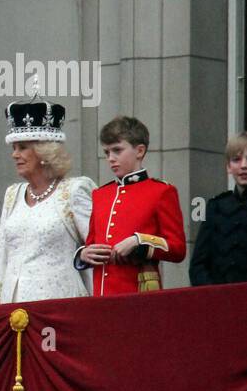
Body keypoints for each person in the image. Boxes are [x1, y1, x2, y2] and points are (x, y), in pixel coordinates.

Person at [0, 100, 94, 303]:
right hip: (13, 307)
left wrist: (82, 254)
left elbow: (96, 245)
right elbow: (2, 256)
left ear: (45, 152)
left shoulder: (72, 191)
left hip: (59, 304)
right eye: (14, 147)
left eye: (22, 148)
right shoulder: (12, 194)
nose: (14, 154)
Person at [73, 116, 186, 295]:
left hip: (138, 296)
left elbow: (178, 248)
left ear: (139, 151)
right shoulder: (100, 194)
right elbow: (91, 243)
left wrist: (138, 241)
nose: (111, 158)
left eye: (117, 150)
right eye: (107, 152)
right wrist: (84, 254)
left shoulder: (161, 191)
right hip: (102, 295)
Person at [190, 132, 247, 287]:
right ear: (228, 167)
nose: (244, 165)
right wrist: (214, 296)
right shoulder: (216, 206)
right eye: (236, 160)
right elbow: (198, 265)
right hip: (221, 303)